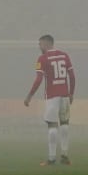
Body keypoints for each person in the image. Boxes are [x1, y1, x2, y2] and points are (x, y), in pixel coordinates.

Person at [24, 35, 76, 166]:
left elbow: (39, 79)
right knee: (64, 125)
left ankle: (52, 158)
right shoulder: (64, 55)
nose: (39, 47)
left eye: (40, 44)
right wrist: (71, 93)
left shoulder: (43, 58)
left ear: (47, 44)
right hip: (64, 94)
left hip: (52, 96)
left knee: (52, 126)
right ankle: (64, 156)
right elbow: (72, 76)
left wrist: (30, 95)